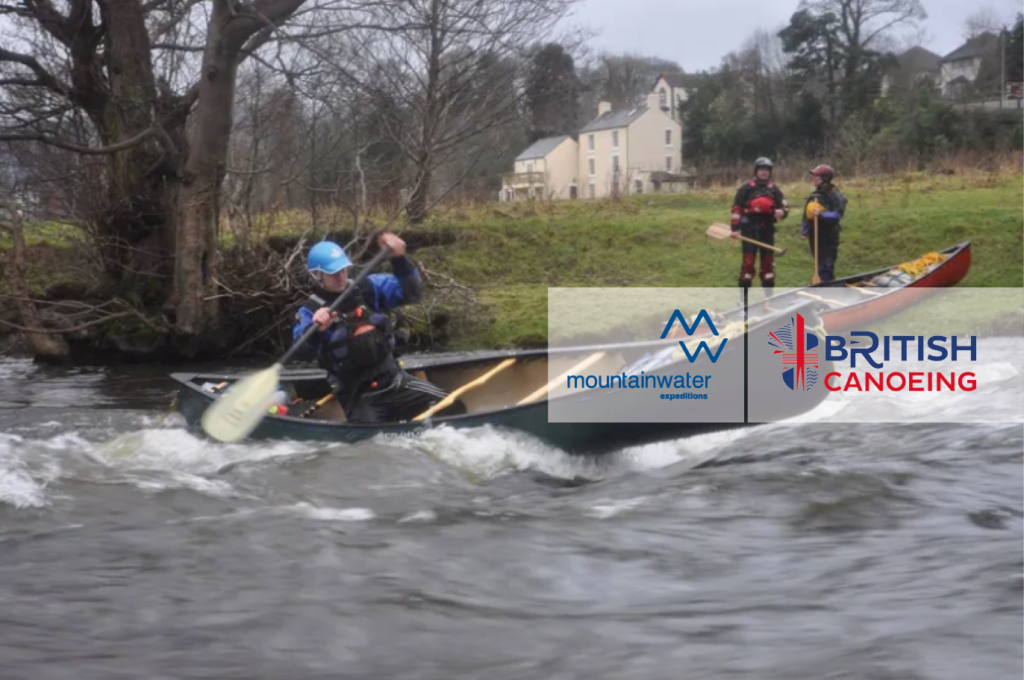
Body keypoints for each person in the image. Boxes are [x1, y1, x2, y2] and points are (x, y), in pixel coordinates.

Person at [290, 232, 467, 423]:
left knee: (454, 407)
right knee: (369, 442)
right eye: (333, 273)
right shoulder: (310, 312)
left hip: (395, 381)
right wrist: (316, 333)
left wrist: (399, 259)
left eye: (343, 270)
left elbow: (411, 292)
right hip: (358, 395)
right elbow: (302, 353)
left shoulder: (368, 288)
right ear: (317, 276)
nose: (341, 276)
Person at [730, 157, 788, 302]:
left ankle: (768, 298)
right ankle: (743, 298)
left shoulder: (774, 189)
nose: (764, 172)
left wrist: (782, 213)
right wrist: (735, 228)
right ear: (756, 171)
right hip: (749, 230)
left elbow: (783, 208)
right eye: (761, 170)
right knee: (748, 264)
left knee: (767, 265)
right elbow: (737, 209)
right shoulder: (746, 188)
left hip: (767, 231)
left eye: (767, 170)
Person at [800, 164, 847, 284]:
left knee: (826, 264)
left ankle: (825, 284)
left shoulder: (834, 194)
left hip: (828, 233)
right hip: (815, 233)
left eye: (816, 176)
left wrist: (822, 215)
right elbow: (806, 215)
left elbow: (837, 215)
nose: (813, 178)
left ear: (825, 178)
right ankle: (826, 283)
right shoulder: (814, 194)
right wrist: (804, 231)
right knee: (819, 261)